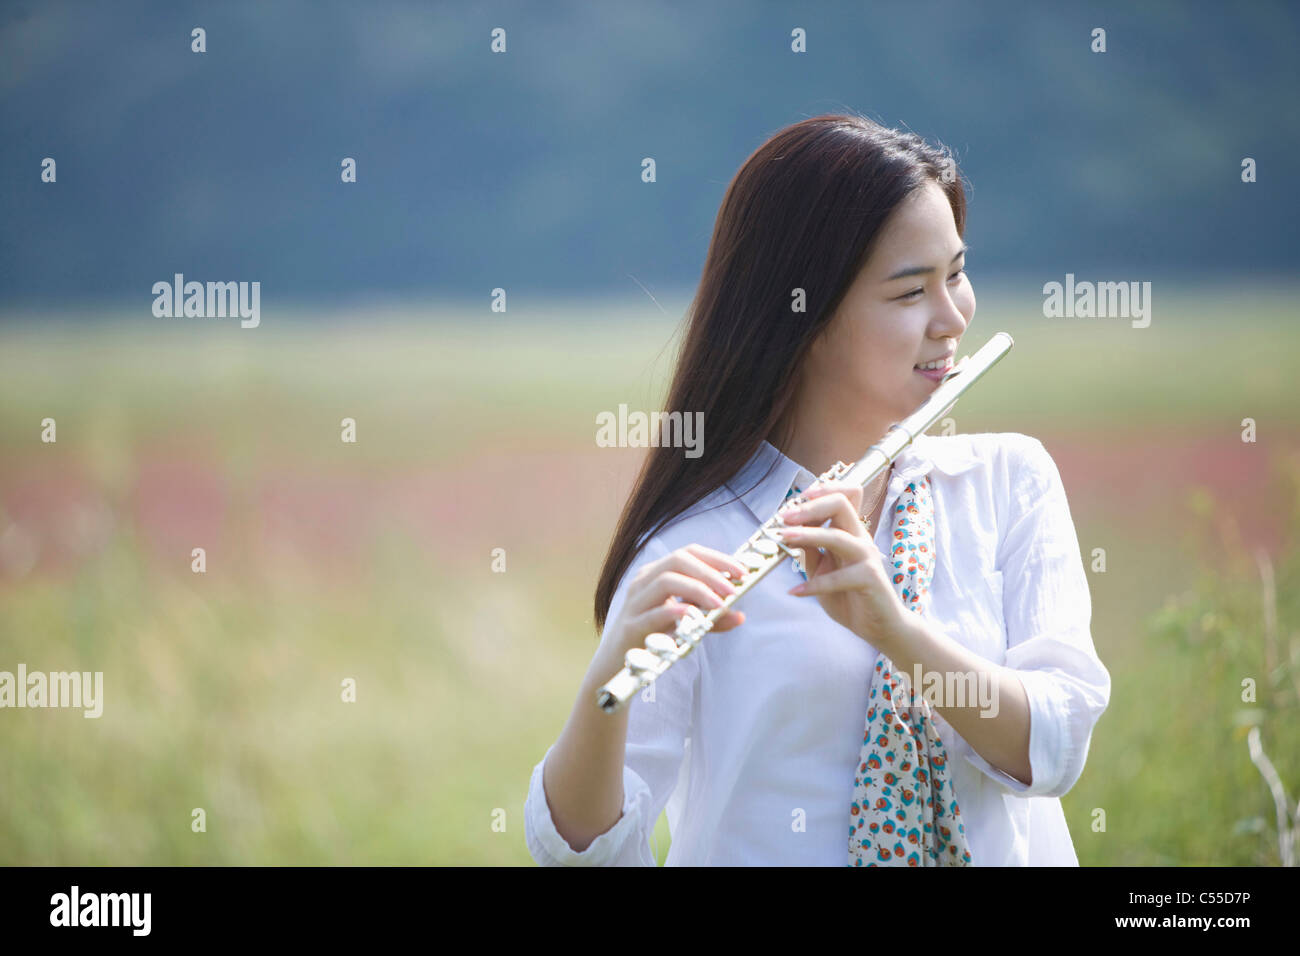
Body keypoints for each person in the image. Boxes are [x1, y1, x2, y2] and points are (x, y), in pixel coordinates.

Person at [524, 114, 1110, 866]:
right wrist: (608, 681)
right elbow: (581, 853)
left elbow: (1055, 747)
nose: (954, 316)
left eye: (956, 275)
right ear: (803, 315)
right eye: (909, 293)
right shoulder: (695, 546)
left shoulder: (1007, 483)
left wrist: (894, 630)